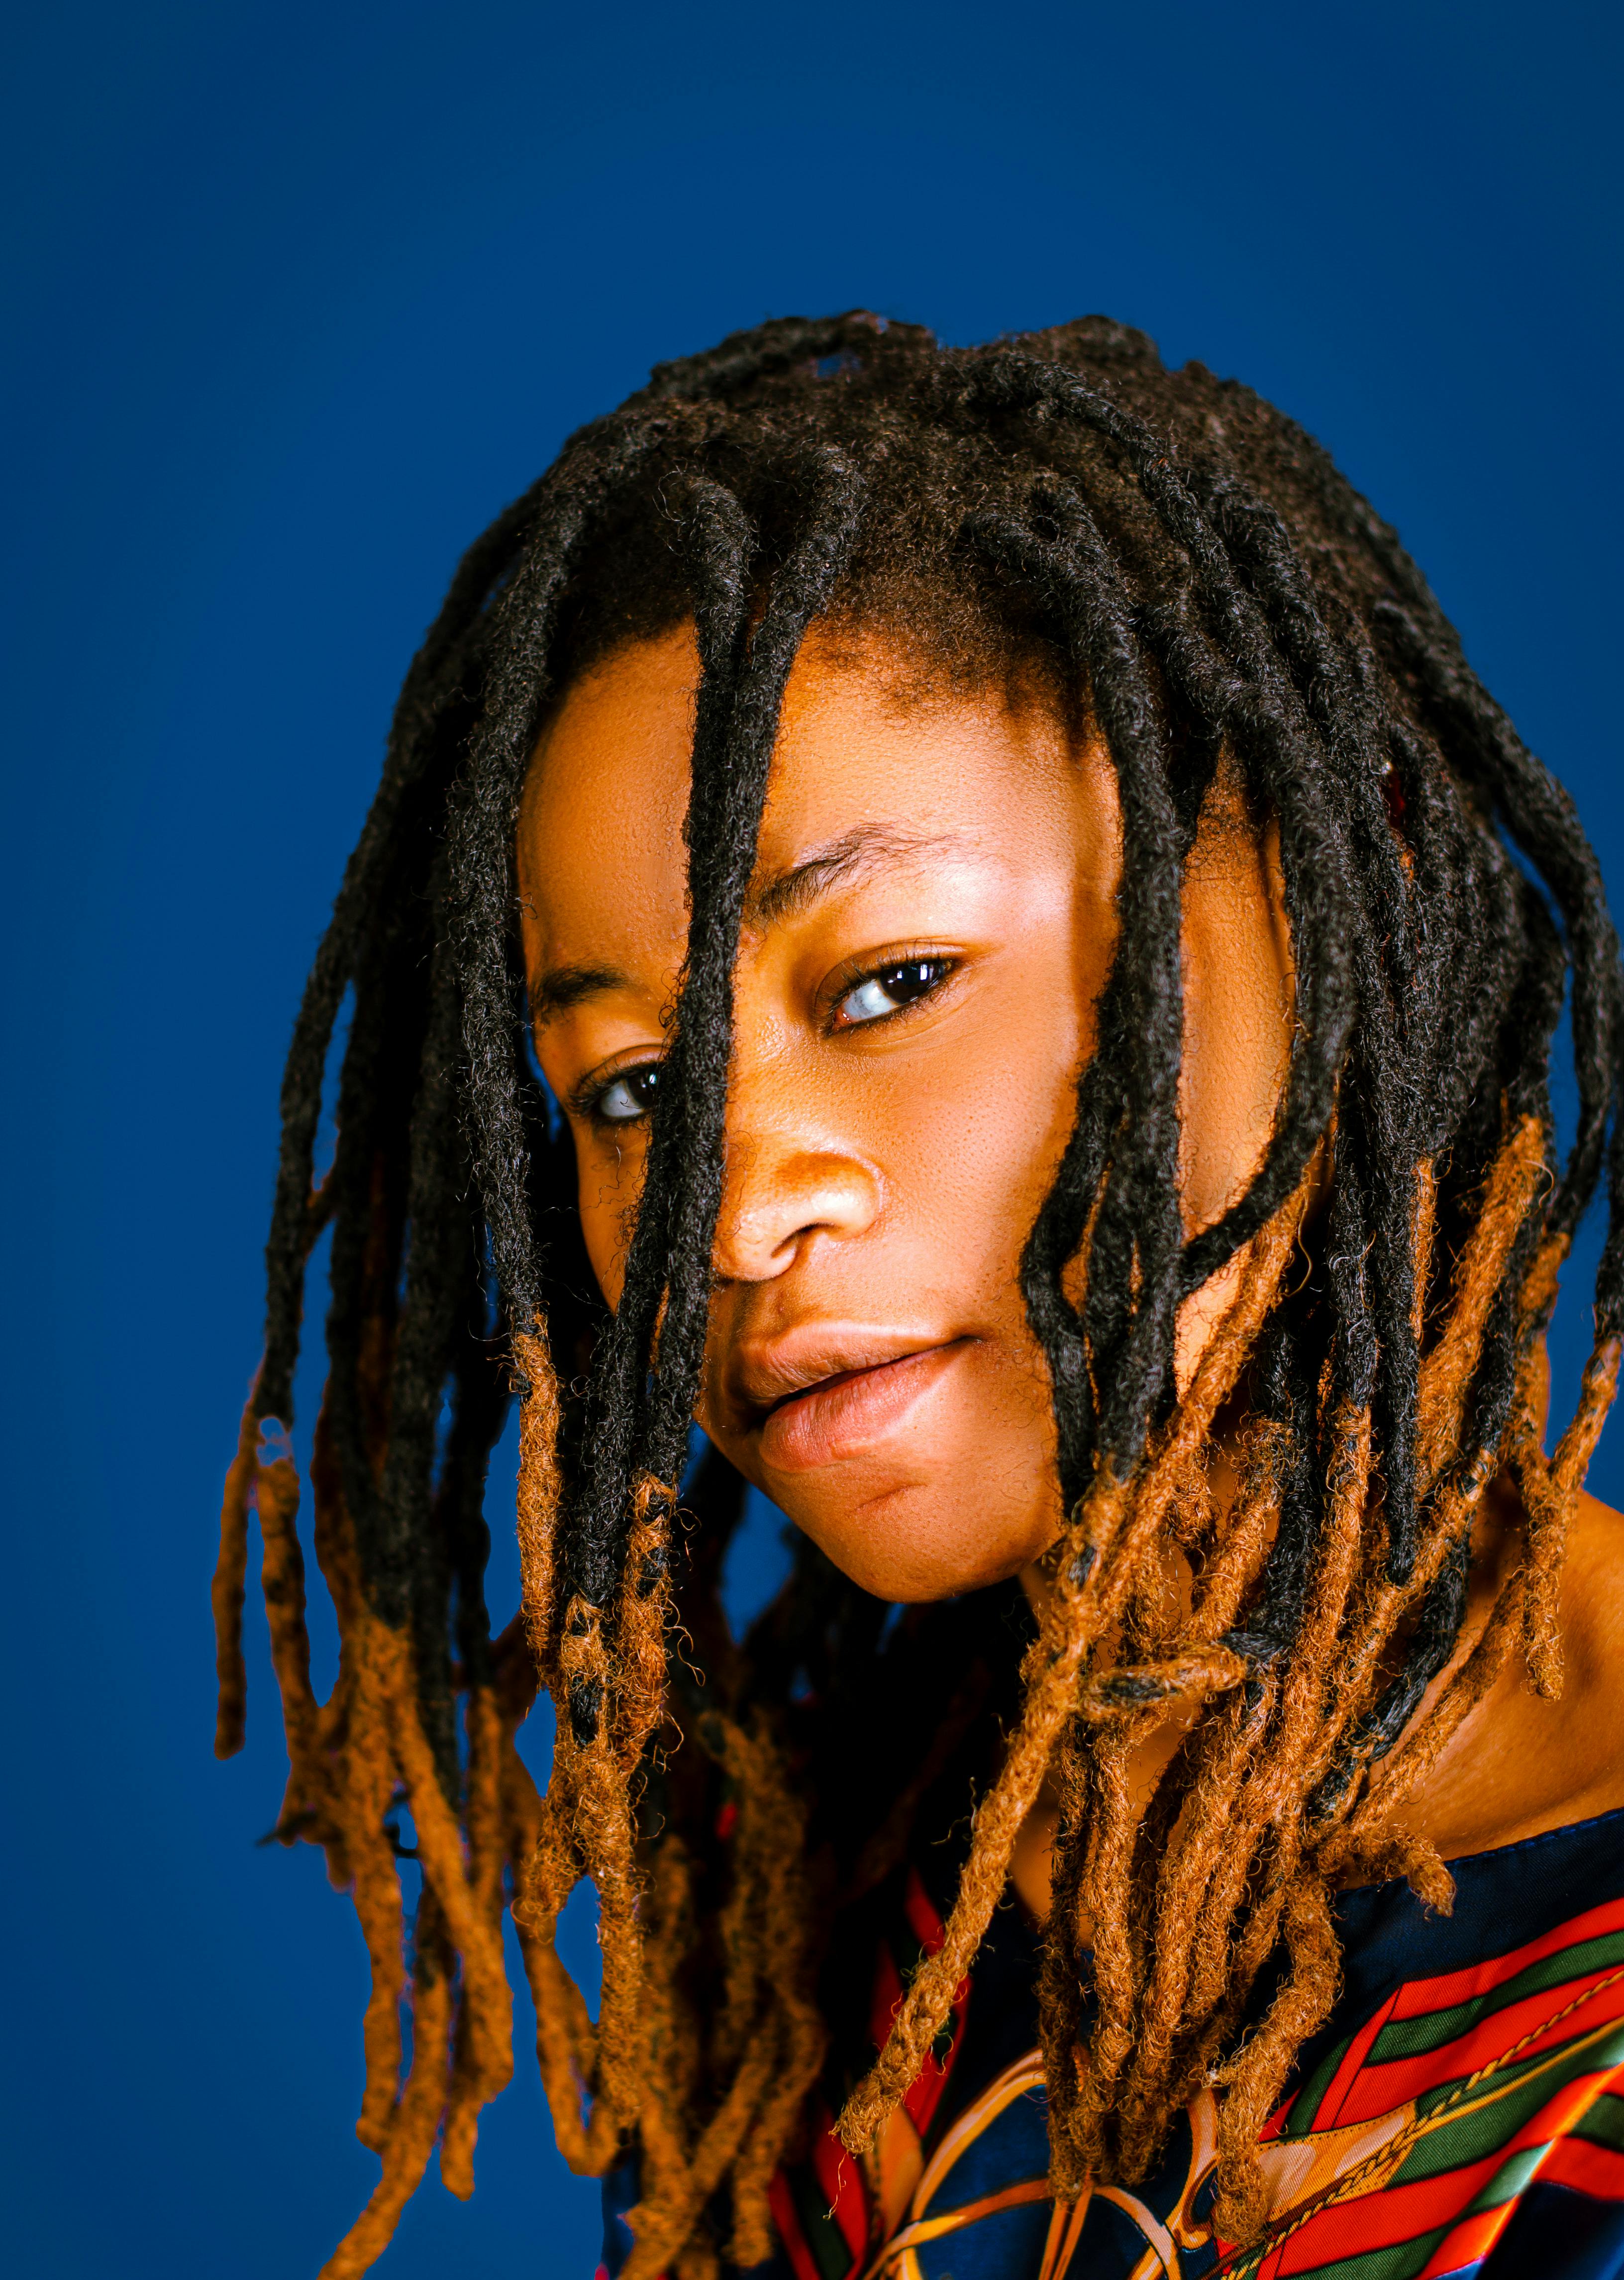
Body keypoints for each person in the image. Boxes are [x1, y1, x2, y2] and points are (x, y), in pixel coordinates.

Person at [215, 312, 1624, 2280]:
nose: (725, 1214)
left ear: (1323, 888)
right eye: (633, 1089)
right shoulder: (807, 1923)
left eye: (886, 984)